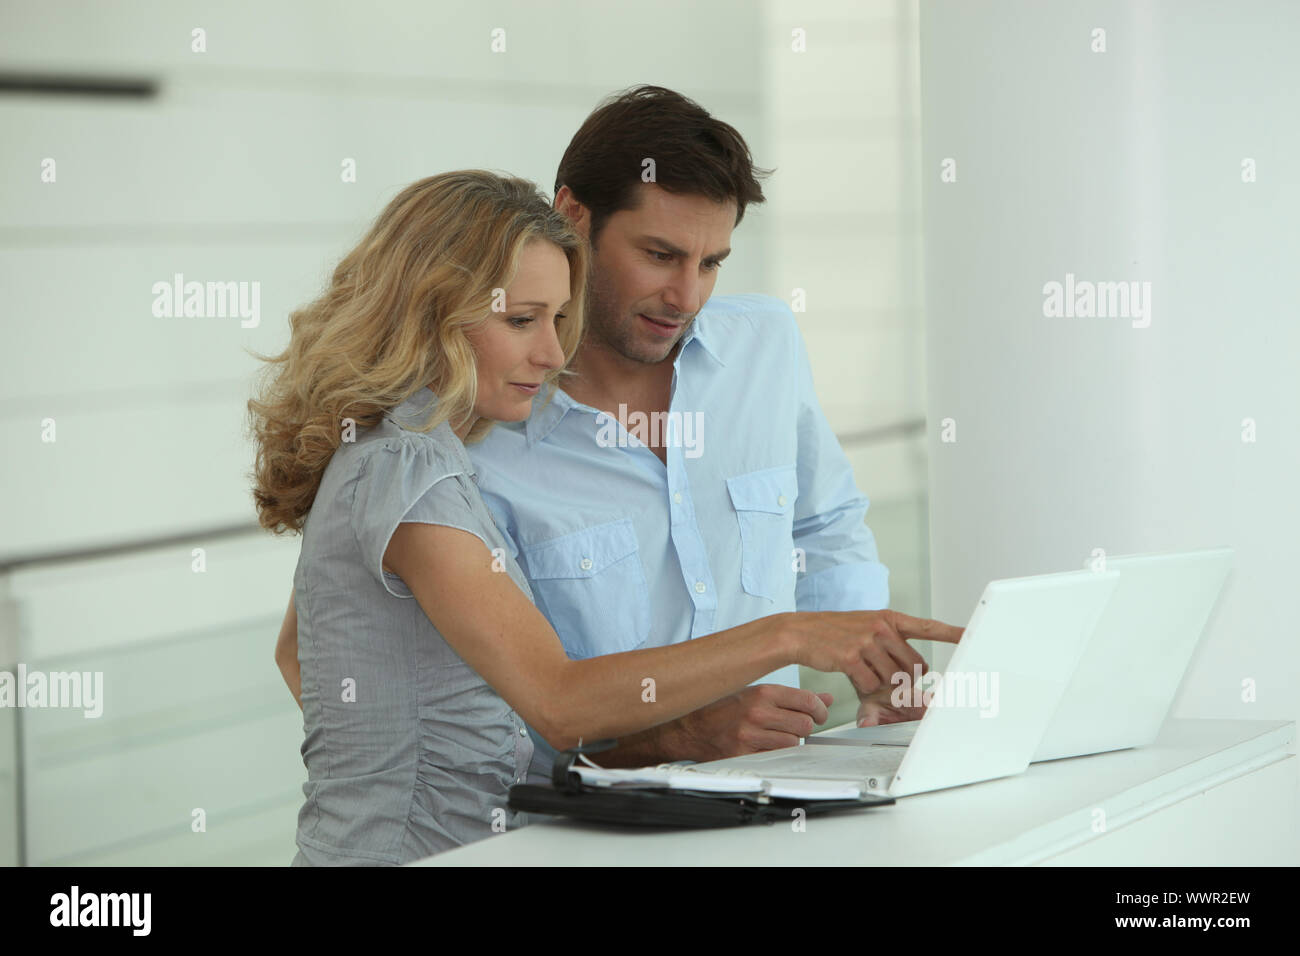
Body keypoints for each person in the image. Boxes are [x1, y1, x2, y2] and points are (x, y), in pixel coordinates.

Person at [251, 170, 962, 865]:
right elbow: (558, 700)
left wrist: (398, 750)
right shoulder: (404, 468)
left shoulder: (420, 453)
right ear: (430, 311)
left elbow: (300, 647)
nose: (553, 353)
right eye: (521, 320)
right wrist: (790, 633)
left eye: (558, 319)